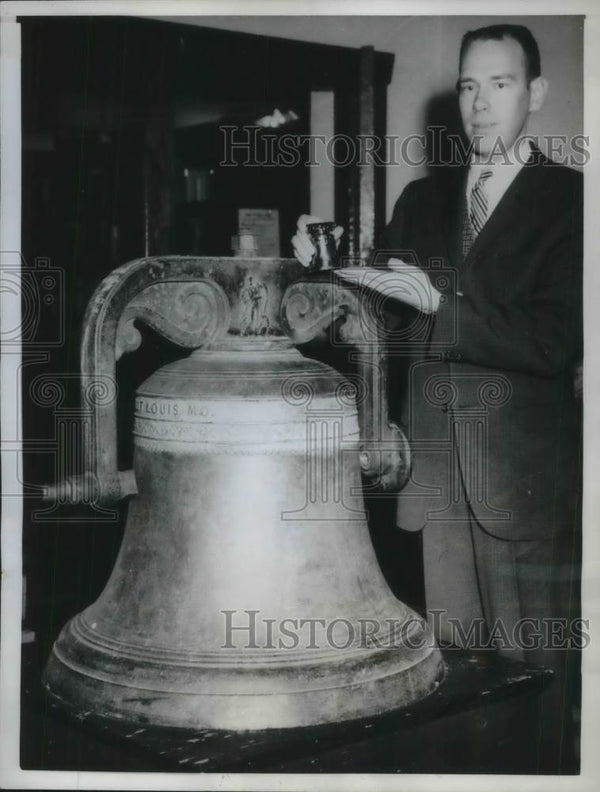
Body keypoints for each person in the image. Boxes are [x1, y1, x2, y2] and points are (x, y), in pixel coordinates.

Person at [292, 24, 583, 771]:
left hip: (520, 491)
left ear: (536, 94)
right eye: (467, 86)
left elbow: (557, 337)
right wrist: (323, 275)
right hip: (437, 487)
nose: (479, 105)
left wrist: (440, 308)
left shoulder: (572, 202)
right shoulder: (423, 200)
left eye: (500, 84)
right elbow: (377, 322)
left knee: (535, 684)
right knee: (454, 686)